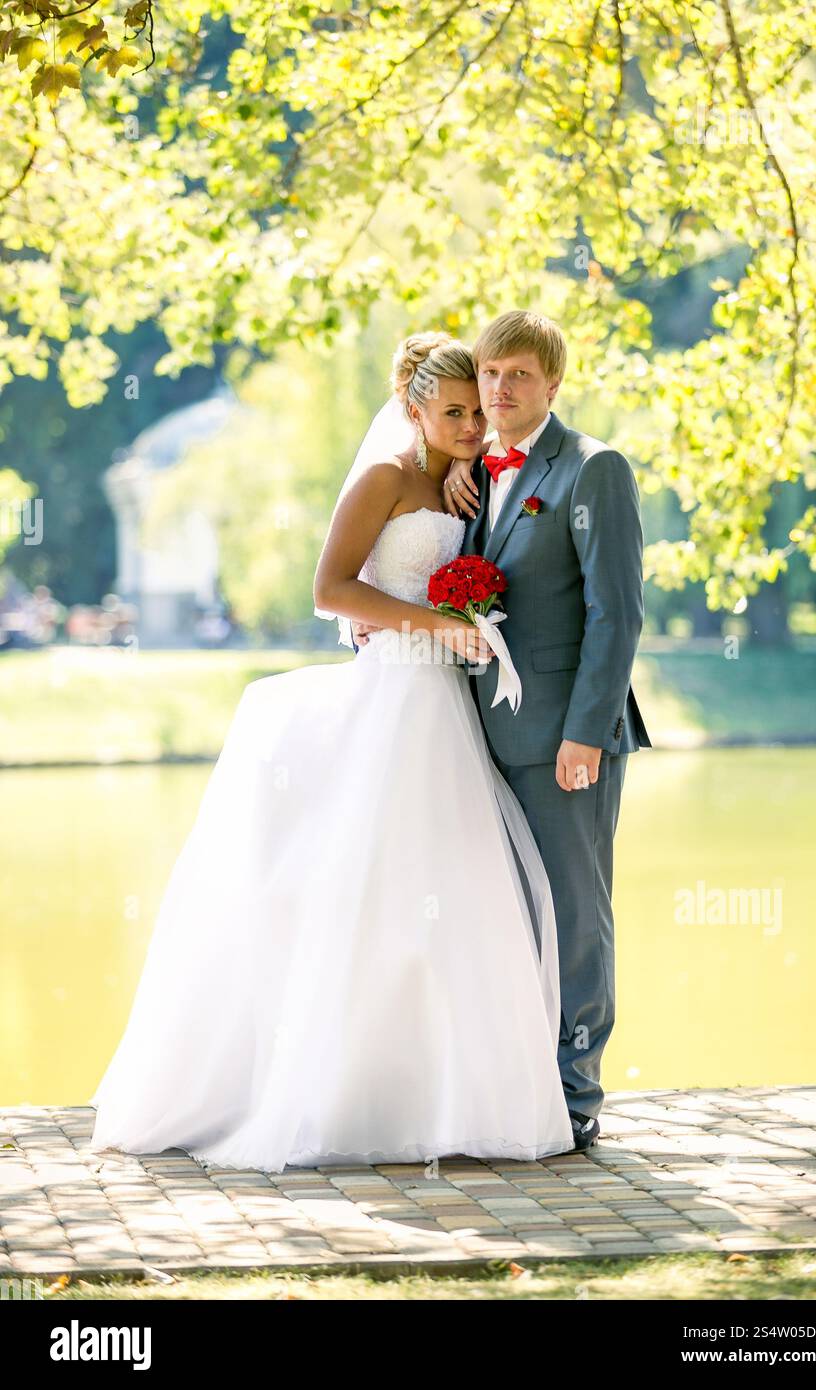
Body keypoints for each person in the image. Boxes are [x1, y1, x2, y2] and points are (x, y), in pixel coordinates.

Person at [88, 331, 574, 1171]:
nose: (471, 426)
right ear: (415, 408)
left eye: (474, 412)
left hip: (446, 711)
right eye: (453, 412)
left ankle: (451, 1096)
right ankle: (344, 1097)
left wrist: (464, 482)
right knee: (372, 894)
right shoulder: (383, 478)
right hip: (396, 693)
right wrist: (440, 624)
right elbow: (330, 591)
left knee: (451, 899)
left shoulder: (469, 483)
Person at [354, 311, 651, 1151]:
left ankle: (576, 1093)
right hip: (472, 733)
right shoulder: (476, 472)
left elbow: (616, 614)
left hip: (566, 741)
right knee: (508, 915)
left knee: (575, 912)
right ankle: (512, 1084)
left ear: (552, 384)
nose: (500, 389)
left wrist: (586, 734)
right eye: (489, 375)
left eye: (519, 374)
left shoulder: (594, 470)